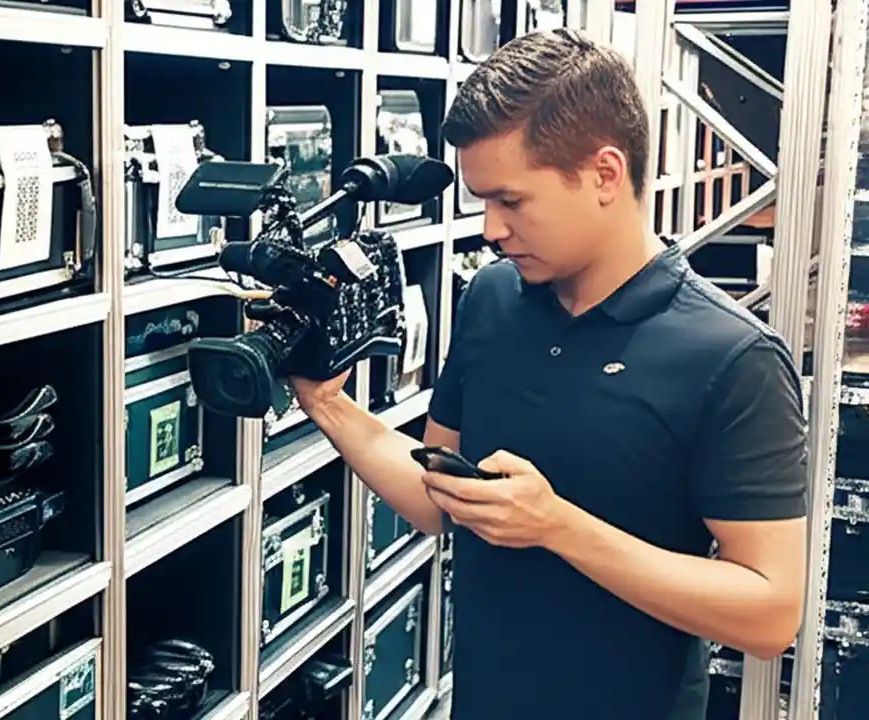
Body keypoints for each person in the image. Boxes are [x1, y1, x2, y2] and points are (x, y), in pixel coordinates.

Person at [290, 27, 809, 720]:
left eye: (511, 201)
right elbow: (439, 496)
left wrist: (558, 526)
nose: (489, 230)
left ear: (604, 174)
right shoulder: (492, 299)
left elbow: (770, 614)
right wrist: (328, 405)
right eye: (482, 202)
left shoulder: (733, 357)